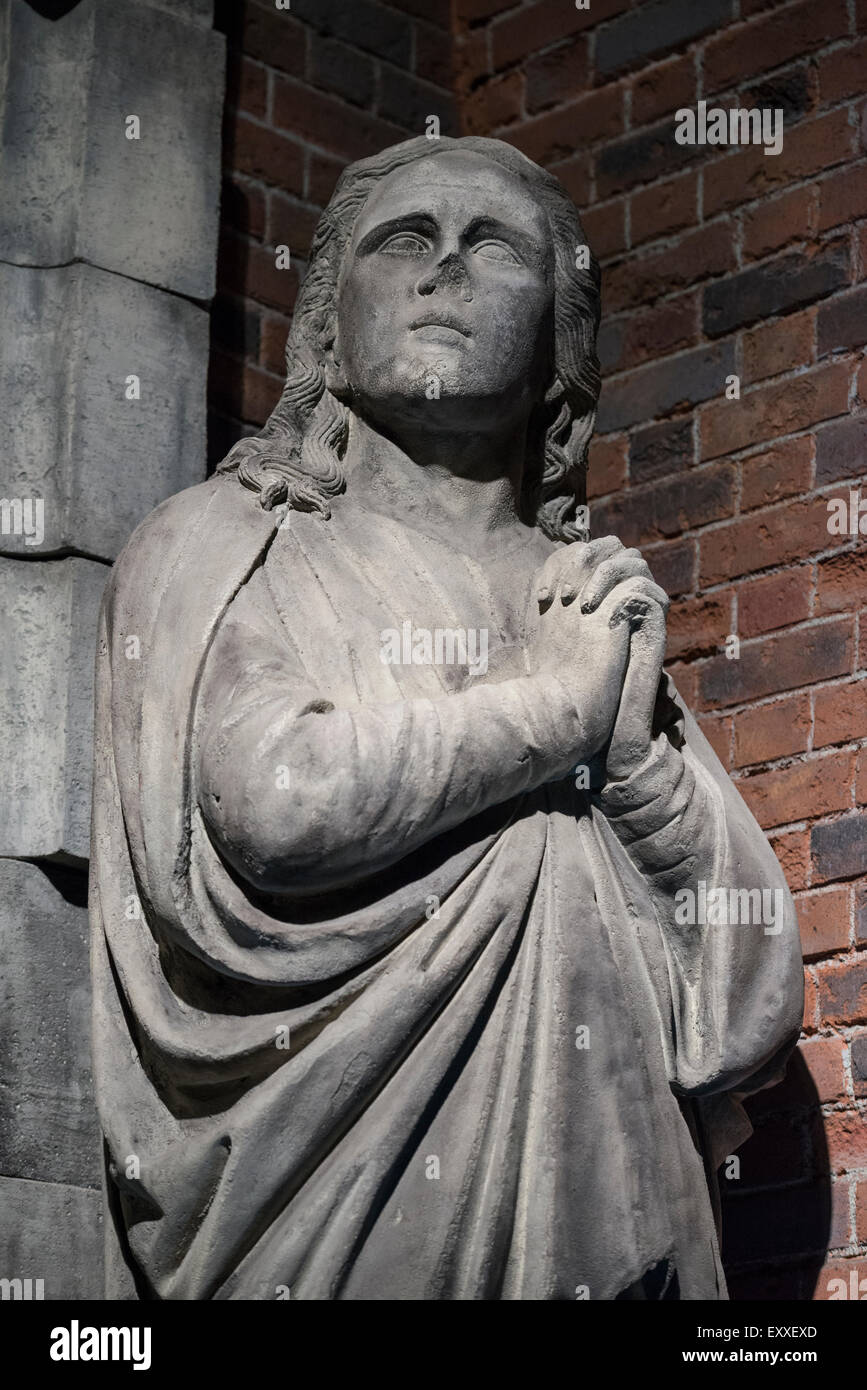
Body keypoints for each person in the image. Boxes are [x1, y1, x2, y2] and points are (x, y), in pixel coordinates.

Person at [91, 136, 803, 1300]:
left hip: (622, 1210)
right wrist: (559, 708)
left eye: (494, 249)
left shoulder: (586, 594)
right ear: (325, 323)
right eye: (406, 241)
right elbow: (277, 801)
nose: (446, 271)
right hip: (339, 1202)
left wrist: (633, 767)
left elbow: (750, 981)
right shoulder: (228, 543)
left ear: (557, 351)